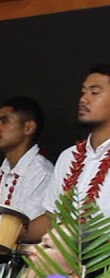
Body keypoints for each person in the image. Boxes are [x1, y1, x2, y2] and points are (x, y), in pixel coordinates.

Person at [32, 65, 110, 239]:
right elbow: (52, 218)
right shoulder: (68, 157)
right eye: (83, 92)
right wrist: (11, 232)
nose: (83, 99)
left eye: (94, 92)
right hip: (63, 263)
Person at [0, 96, 54, 241]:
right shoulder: (3, 169)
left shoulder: (42, 172)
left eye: (5, 121)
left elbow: (24, 225)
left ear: (28, 128)